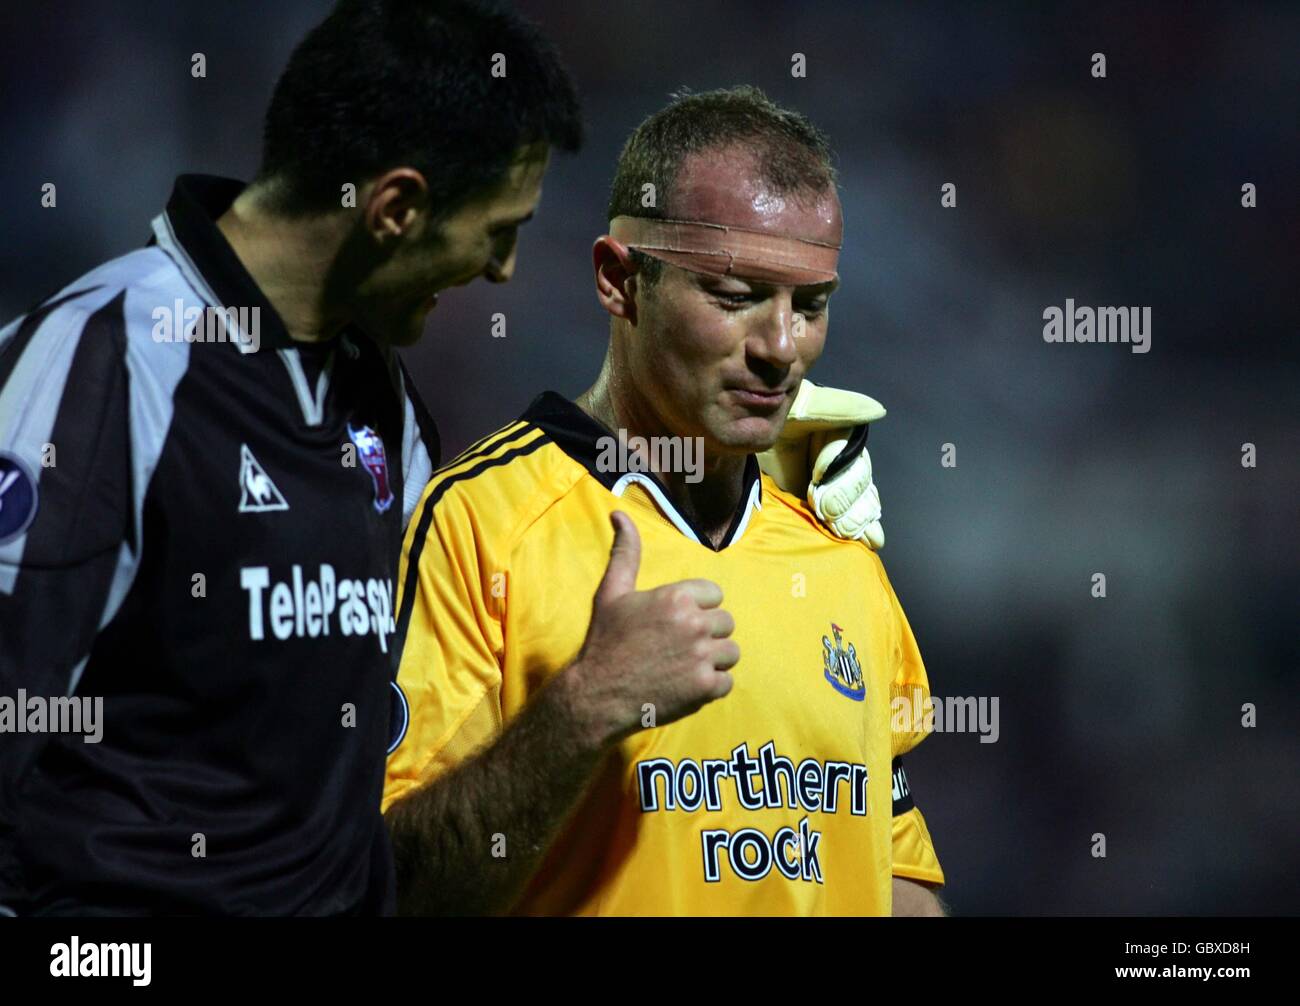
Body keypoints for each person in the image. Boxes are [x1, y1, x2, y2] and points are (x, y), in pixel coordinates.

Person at [0, 0, 581, 915]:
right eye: (498, 230)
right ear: (395, 207)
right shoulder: (106, 355)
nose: (502, 271)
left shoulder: (382, 401)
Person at [383, 86, 945, 916]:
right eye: (736, 295)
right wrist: (586, 706)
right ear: (619, 280)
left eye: (810, 305)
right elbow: (394, 885)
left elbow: (892, 876)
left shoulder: (841, 550)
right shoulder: (480, 522)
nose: (781, 349)